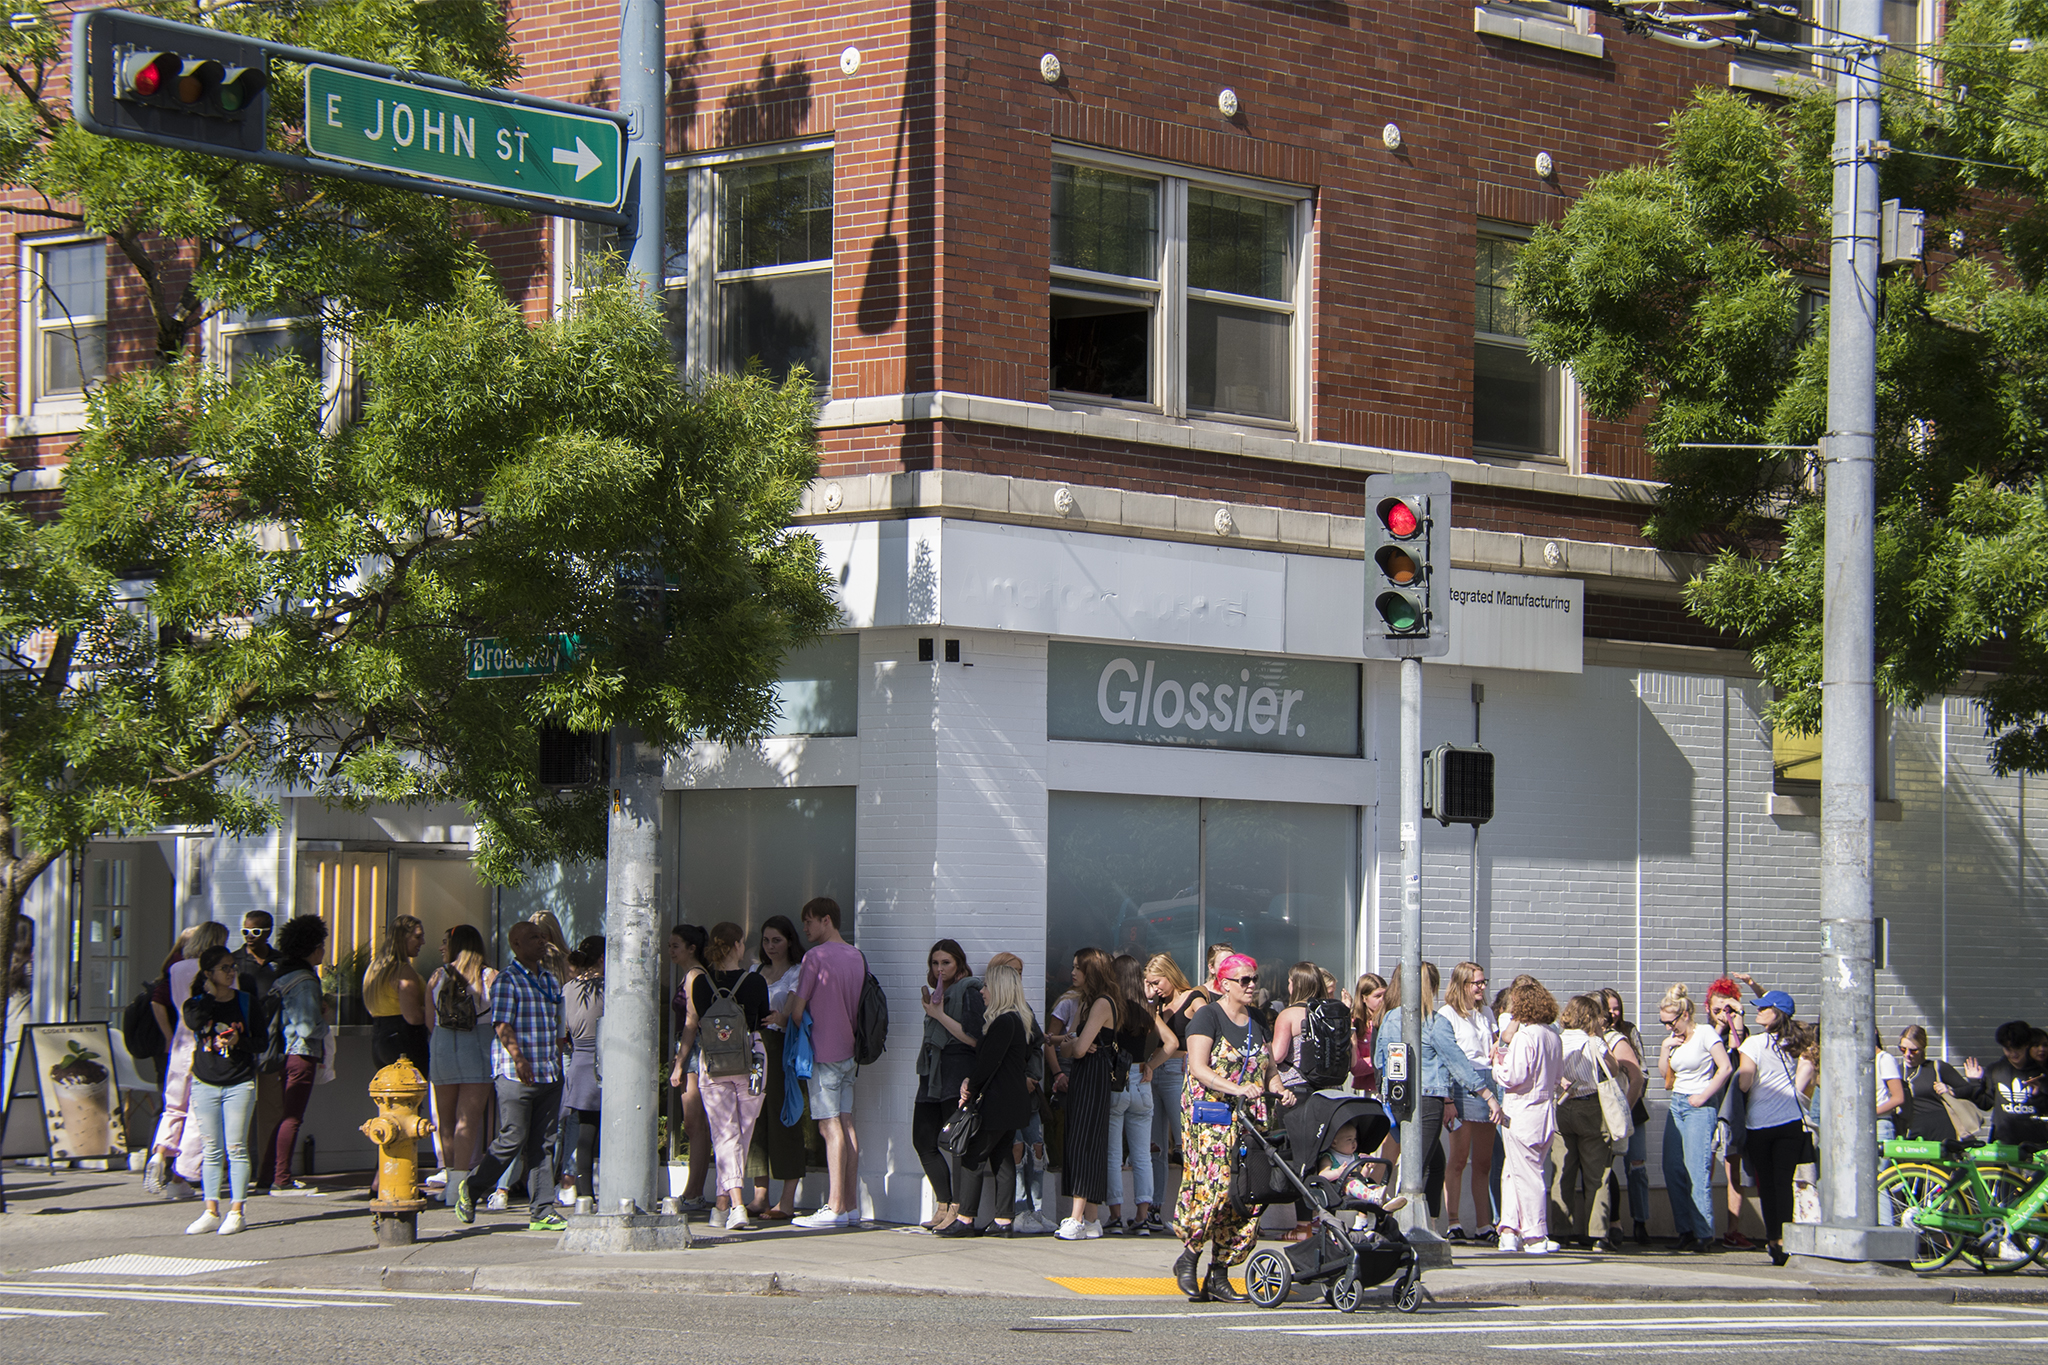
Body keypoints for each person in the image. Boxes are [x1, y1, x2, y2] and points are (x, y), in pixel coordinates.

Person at [1171, 952, 1295, 1302]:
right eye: (1244, 980)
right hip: (1210, 1117)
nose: (1253, 985)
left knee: (1247, 1192)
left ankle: (1219, 1273)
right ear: (1224, 984)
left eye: (1255, 979)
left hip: (1249, 1118)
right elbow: (1198, 1067)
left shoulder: (1257, 1019)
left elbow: (1268, 1068)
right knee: (1215, 1185)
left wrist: (1280, 1089)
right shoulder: (1207, 1016)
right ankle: (1190, 1256)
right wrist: (1236, 1088)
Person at [455, 920, 568, 1232]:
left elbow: (558, 1024)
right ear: (516, 944)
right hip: (516, 1074)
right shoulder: (507, 980)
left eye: (543, 937)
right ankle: (473, 1187)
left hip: (548, 1072)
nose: (542, 942)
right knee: (513, 1136)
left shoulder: (549, 980)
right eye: (533, 937)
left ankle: (542, 1210)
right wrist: (519, 1058)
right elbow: (502, 1025)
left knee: (543, 1144)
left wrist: (557, 1055)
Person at [1372, 960, 1501, 1229]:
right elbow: (1458, 1063)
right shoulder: (1434, 1021)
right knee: (1417, 1167)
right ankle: (1396, 1224)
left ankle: (1419, 1222)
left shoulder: (1391, 1017)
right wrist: (1487, 1094)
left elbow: (1379, 1061)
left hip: (1397, 1098)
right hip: (1428, 1099)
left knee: (1428, 1162)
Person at [788, 897, 867, 1229]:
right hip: (850, 1051)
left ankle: (833, 1206)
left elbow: (796, 1011)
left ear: (826, 920)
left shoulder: (814, 957)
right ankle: (849, 1204)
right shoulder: (856, 956)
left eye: (809, 921)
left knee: (828, 1125)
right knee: (847, 1125)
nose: (805, 928)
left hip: (822, 1051)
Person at [949, 958, 1036, 1237]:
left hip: (996, 1102)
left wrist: (969, 1086)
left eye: (986, 985)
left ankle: (965, 1219)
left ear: (998, 988)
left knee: (973, 1156)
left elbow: (988, 1064)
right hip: (1012, 1103)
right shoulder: (1019, 1021)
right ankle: (1003, 1221)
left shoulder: (1002, 1023)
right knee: (1002, 1159)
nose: (982, 991)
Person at [692, 921, 770, 1230]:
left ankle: (722, 1203)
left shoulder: (700, 983)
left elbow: (697, 1018)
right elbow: (761, 1018)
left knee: (724, 1133)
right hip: (752, 1060)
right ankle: (738, 1204)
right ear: (738, 945)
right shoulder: (755, 982)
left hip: (712, 1061)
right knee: (742, 1132)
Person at [179, 945, 259, 1236]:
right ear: (209, 973)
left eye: (232, 966)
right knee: (211, 1150)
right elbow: (194, 1022)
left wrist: (239, 1041)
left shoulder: (247, 1002)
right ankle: (211, 1209)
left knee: (235, 1148)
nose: (231, 972)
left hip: (239, 1081)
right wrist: (210, 995)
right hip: (205, 1082)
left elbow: (262, 1043)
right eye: (224, 968)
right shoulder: (196, 1003)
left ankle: (237, 1211)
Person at [146, 921, 228, 1199]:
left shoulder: (177, 968)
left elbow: (166, 1001)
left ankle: (159, 1153)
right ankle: (184, 1173)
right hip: (207, 1041)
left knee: (174, 1104)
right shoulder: (219, 971)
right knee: (198, 1110)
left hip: (181, 1039)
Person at [1735, 989, 1814, 1266]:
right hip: (1791, 1123)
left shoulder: (1754, 1044)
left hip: (1760, 1124)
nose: (1757, 1011)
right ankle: (1784, 1241)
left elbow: (1744, 1083)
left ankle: (1772, 1240)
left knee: (1766, 1184)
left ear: (1776, 1012)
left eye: (1763, 1008)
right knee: (1784, 1184)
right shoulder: (1799, 1043)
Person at [912, 938, 982, 1232]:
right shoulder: (938, 994)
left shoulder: (969, 990)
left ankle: (956, 1209)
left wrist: (938, 1015)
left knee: (955, 1143)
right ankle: (944, 1202)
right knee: (922, 1139)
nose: (940, 969)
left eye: (946, 963)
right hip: (933, 1071)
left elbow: (974, 1037)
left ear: (959, 964)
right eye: (935, 963)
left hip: (956, 1069)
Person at [1657, 983, 1733, 1252]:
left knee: (1696, 1170)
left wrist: (1704, 1096)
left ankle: (1704, 1233)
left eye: (1671, 1022)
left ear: (1685, 1014)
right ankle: (1685, 1230)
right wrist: (1666, 1047)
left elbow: (1725, 1067)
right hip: (1677, 1103)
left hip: (1699, 1105)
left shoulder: (1705, 1033)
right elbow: (1665, 1075)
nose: (1668, 1028)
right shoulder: (1675, 1040)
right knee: (1672, 1167)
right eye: (1663, 1023)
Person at [1054, 947, 1122, 1240]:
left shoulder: (1101, 1004)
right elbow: (1069, 1045)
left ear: (1090, 972)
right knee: (1087, 1141)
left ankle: (1076, 1217)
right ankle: (1092, 1218)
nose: (1072, 973)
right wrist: (1074, 1043)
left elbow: (1077, 1048)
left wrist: (1074, 1044)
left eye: (1078, 968)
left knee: (1084, 1141)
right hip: (1086, 1075)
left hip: (1093, 1077)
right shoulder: (1087, 1002)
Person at [426, 924, 495, 1206]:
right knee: (469, 1120)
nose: (441, 947)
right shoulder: (489, 976)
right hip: (477, 1047)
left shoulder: (437, 976)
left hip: (442, 1047)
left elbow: (429, 1023)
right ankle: (459, 1187)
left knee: (447, 1120)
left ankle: (449, 1182)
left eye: (445, 942)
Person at [1493, 977, 1563, 1254]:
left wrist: (1496, 1064)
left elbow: (1512, 1076)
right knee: (1516, 1171)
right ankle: (1509, 1230)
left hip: (1522, 1110)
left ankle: (1534, 1234)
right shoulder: (1553, 1036)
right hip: (1545, 1110)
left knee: (1525, 1172)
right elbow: (1557, 1077)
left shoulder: (1526, 1036)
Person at [260, 915, 329, 1192]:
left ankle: (269, 1175)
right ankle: (282, 1177)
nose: (324, 950)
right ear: (313, 948)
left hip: (281, 1053)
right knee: (292, 1117)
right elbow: (308, 1027)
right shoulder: (306, 981)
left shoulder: (283, 974)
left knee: (283, 1117)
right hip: (301, 1055)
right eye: (322, 945)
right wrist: (325, 1020)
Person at [1551, 994, 1620, 1251]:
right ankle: (1597, 1234)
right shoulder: (1594, 1042)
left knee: (1562, 1170)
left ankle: (1560, 1231)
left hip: (1562, 1106)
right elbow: (1613, 1069)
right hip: (1590, 1105)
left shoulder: (1557, 1040)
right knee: (1597, 1174)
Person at [748, 915, 807, 1220]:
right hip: (755, 1048)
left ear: (789, 942)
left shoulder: (798, 972)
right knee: (755, 1118)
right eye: (766, 940)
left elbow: (791, 1013)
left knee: (784, 1118)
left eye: (777, 940)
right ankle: (760, 1195)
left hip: (782, 1048)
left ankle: (787, 1198)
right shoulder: (755, 970)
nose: (770, 946)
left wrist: (779, 1017)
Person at [1270, 960, 1332, 1240]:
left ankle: (1303, 1225)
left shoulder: (1291, 1014)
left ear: (1297, 984)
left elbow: (1278, 1054)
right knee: (1322, 1158)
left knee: (1298, 1161)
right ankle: (1323, 1221)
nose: (1288, 985)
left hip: (1296, 1093)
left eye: (1290, 981)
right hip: (1327, 1094)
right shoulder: (1331, 1013)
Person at [1144, 953, 1206, 1224]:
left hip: (1178, 1070)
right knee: (1156, 1144)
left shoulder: (1193, 999)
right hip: (1154, 1068)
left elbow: (1207, 1033)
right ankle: (1156, 1207)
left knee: (1185, 1142)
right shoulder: (1156, 1004)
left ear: (1169, 975)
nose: (1155, 988)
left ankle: (1191, 1207)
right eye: (1149, 983)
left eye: (1157, 982)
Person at [1438, 961, 1498, 1244]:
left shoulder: (1486, 1012)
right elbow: (1445, 1058)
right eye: (1478, 983)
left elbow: (1493, 1048)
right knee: (1459, 1158)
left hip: (1487, 1083)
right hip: (1460, 1086)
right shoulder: (1447, 1014)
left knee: (1484, 1161)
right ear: (1463, 984)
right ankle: (1453, 1221)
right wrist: (1448, 1099)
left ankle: (1484, 1224)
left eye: (1483, 982)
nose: (1482, 987)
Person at [1106, 953, 1157, 1236]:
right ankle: (1142, 1217)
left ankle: (1114, 1216)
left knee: (1113, 1153)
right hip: (1141, 1079)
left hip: (1117, 1081)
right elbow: (1172, 1042)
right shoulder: (1145, 1011)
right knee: (1142, 1155)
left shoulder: (1113, 1009)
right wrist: (1151, 1063)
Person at [665, 924, 713, 1211]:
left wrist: (680, 1063)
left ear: (691, 948)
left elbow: (691, 1023)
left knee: (694, 1123)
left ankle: (694, 1190)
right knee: (695, 1123)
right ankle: (694, 1189)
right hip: (691, 1053)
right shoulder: (692, 975)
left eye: (675, 946)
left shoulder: (695, 976)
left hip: (694, 1053)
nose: (671, 951)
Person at [1599, 987, 1651, 1245]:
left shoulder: (1628, 1032)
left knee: (1636, 1166)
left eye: (1616, 1007)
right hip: (1608, 1109)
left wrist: (1627, 1106)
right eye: (1608, 1008)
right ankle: (1614, 1221)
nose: (1612, 1012)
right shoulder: (1596, 1035)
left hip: (1632, 1107)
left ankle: (1641, 1222)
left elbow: (1641, 1072)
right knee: (1608, 1164)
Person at [1706, 977, 1754, 1247]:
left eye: (1727, 1009)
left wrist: (1739, 1018)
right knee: (1706, 1166)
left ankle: (1733, 1229)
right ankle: (1704, 1226)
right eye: (1717, 1010)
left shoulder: (1741, 1036)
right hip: (1709, 1107)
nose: (1723, 1015)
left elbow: (1738, 1046)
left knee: (1732, 1169)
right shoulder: (1705, 1035)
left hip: (1731, 1108)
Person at [560, 936, 604, 1205]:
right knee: (608, 1132)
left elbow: (562, 1031)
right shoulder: (608, 987)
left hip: (579, 1062)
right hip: (604, 1061)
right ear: (603, 959)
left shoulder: (567, 990)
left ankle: (585, 1194)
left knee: (585, 1134)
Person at [1962, 1020, 2047, 1146]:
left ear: (2026, 1045)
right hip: (2003, 1140)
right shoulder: (1995, 1070)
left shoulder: (2041, 1073)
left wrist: (2037, 1094)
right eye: (2008, 1049)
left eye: (2017, 1048)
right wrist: (1974, 1082)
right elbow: (1985, 1104)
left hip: (2035, 1141)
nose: (2013, 1053)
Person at [363, 915, 428, 1070]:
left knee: (388, 1093)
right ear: (402, 938)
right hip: (404, 1040)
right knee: (411, 1092)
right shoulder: (403, 971)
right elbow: (413, 1017)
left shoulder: (374, 969)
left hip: (380, 1040)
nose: (422, 942)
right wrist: (434, 1013)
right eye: (417, 937)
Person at [1897, 1024, 1979, 1141]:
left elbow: (1967, 1089)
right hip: (1912, 1128)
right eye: (1903, 1049)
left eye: (1913, 1051)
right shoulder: (1897, 1071)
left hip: (1940, 1127)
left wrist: (1950, 1092)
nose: (1907, 1055)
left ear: (1922, 1049)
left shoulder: (1936, 1067)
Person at [1351, 971, 1387, 1094]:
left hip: (1387, 1087)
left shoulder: (1389, 1020)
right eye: (1377, 996)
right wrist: (1383, 1060)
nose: (1383, 1000)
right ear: (1364, 998)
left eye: (1385, 995)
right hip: (1367, 1090)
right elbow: (1355, 1067)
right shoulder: (1356, 1023)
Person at [528, 910, 572, 983]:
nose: (539, 942)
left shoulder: (570, 964)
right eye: (534, 937)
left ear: (554, 935)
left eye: (544, 937)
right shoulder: (527, 964)